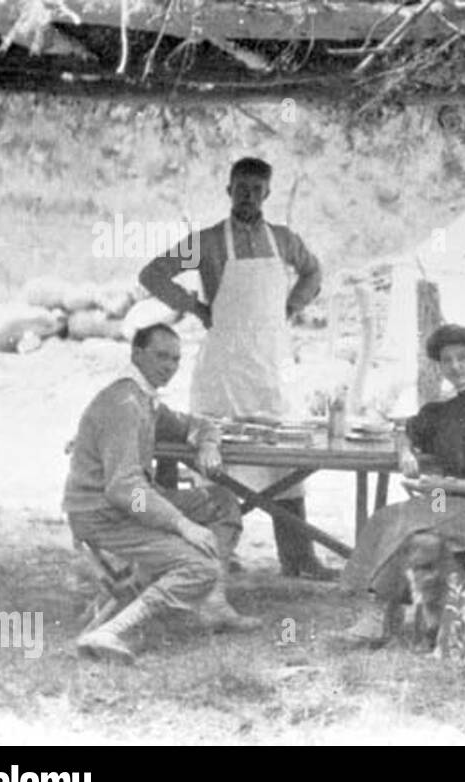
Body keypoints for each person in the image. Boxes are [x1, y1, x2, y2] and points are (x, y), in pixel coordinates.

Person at [139, 156, 337, 581]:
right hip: (224, 368)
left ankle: (298, 557)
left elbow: (313, 272)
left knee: (284, 459)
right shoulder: (208, 241)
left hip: (270, 366)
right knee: (218, 458)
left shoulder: (284, 240)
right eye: (240, 187)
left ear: (267, 193)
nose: (247, 195)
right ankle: (217, 551)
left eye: (256, 188)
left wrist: (291, 305)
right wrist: (194, 306)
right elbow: (153, 273)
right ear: (228, 190)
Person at [65, 324, 262, 664]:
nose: (169, 366)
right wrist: (180, 524)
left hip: (125, 504)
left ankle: (213, 602)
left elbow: (199, 424)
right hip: (102, 512)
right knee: (201, 566)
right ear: (136, 354)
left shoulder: (145, 400)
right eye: (160, 356)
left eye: (175, 359)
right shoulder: (124, 403)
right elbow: (125, 488)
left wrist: (208, 446)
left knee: (222, 502)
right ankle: (111, 631)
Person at [335, 324, 465, 649]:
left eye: (463, 358)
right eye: (446, 359)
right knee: (385, 517)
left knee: (411, 529)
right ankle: (381, 608)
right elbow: (406, 430)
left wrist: (441, 483)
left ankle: (379, 615)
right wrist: (406, 451)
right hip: (445, 499)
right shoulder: (440, 410)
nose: (455, 366)